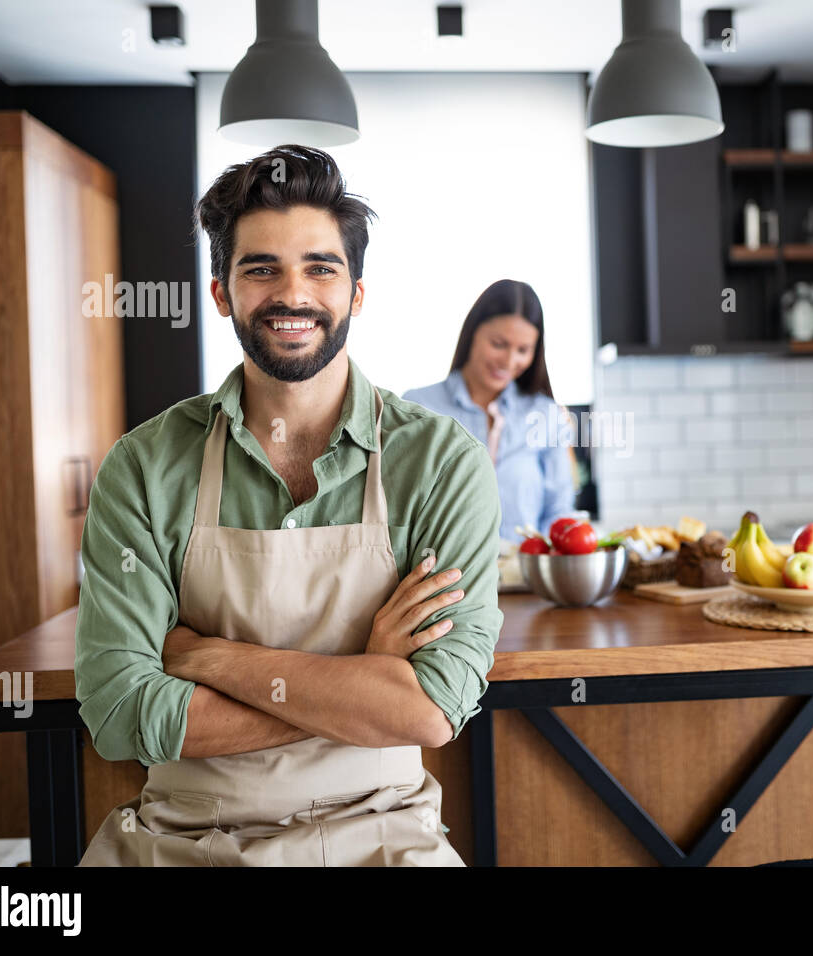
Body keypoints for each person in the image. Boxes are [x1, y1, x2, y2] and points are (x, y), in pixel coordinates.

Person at [74, 144, 503, 866]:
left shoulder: (440, 463)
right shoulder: (143, 467)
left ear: (356, 294)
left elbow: (431, 709)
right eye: (261, 269)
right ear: (222, 293)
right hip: (184, 838)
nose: (292, 294)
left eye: (321, 268)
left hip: (385, 833)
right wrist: (363, 682)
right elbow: (120, 713)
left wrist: (207, 656)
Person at [403, 279, 576, 541]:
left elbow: (559, 511)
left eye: (523, 350)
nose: (509, 361)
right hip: (444, 564)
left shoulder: (546, 416)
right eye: (498, 344)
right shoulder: (419, 407)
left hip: (525, 566)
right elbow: (402, 504)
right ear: (473, 333)